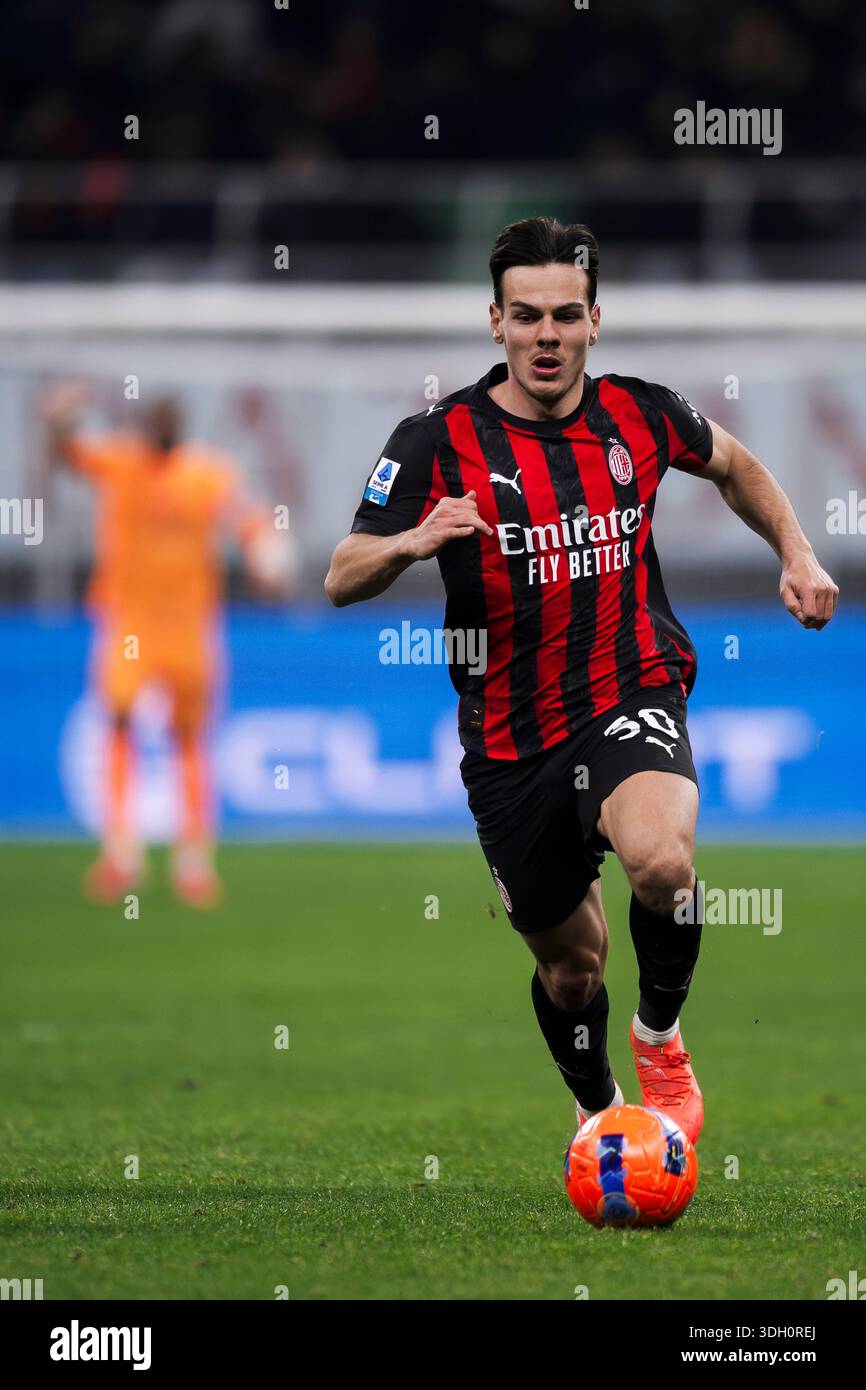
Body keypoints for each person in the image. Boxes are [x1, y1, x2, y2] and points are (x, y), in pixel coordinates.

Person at [324, 217, 838, 1142]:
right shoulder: (435, 440)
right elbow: (340, 575)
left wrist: (796, 553)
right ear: (495, 323)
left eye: (566, 315)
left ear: (596, 321)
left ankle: (660, 1036)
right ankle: (602, 1112)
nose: (547, 336)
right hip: (510, 740)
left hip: (630, 688)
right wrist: (412, 539)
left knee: (663, 862)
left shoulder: (641, 413)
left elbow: (737, 465)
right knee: (573, 971)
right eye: (527, 317)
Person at [43, 385, 292, 907]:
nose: (159, 428)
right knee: (118, 723)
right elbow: (68, 454)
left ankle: (193, 861)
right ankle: (121, 856)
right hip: (129, 623)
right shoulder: (122, 462)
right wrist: (61, 416)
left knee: (188, 738)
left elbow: (247, 520)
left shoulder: (204, 472)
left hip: (188, 627)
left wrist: (268, 557)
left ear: (177, 425)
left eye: (167, 419)